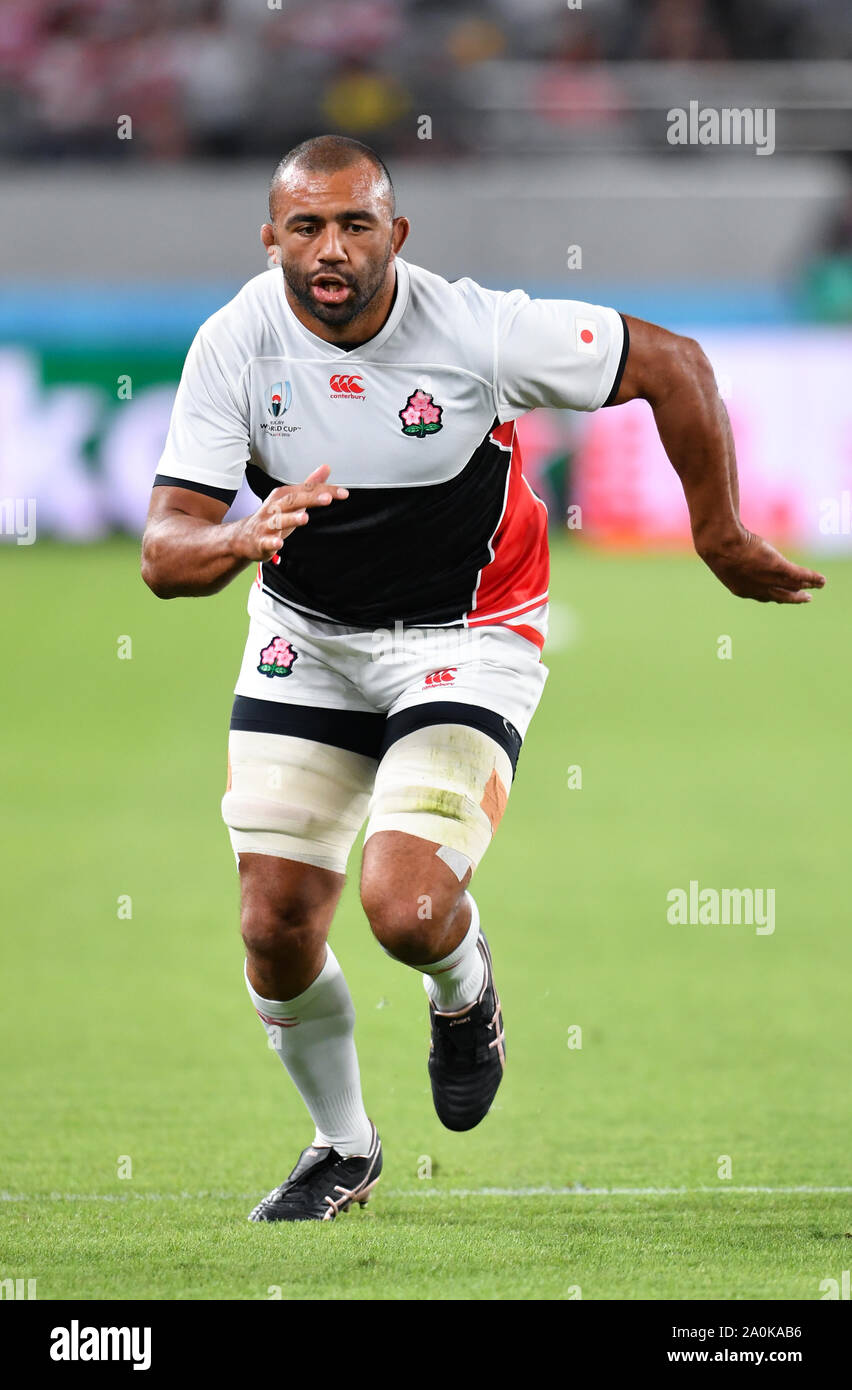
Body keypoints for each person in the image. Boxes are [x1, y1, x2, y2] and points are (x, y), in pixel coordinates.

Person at [141, 134, 825, 1223]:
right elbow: (162, 551)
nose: (331, 247)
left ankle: (463, 995)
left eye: (356, 223)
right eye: (307, 224)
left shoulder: (471, 329)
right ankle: (342, 1146)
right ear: (270, 236)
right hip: (307, 638)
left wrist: (720, 533)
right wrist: (237, 538)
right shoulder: (234, 344)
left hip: (469, 633)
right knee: (273, 923)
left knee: (405, 905)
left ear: (396, 237)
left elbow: (675, 363)